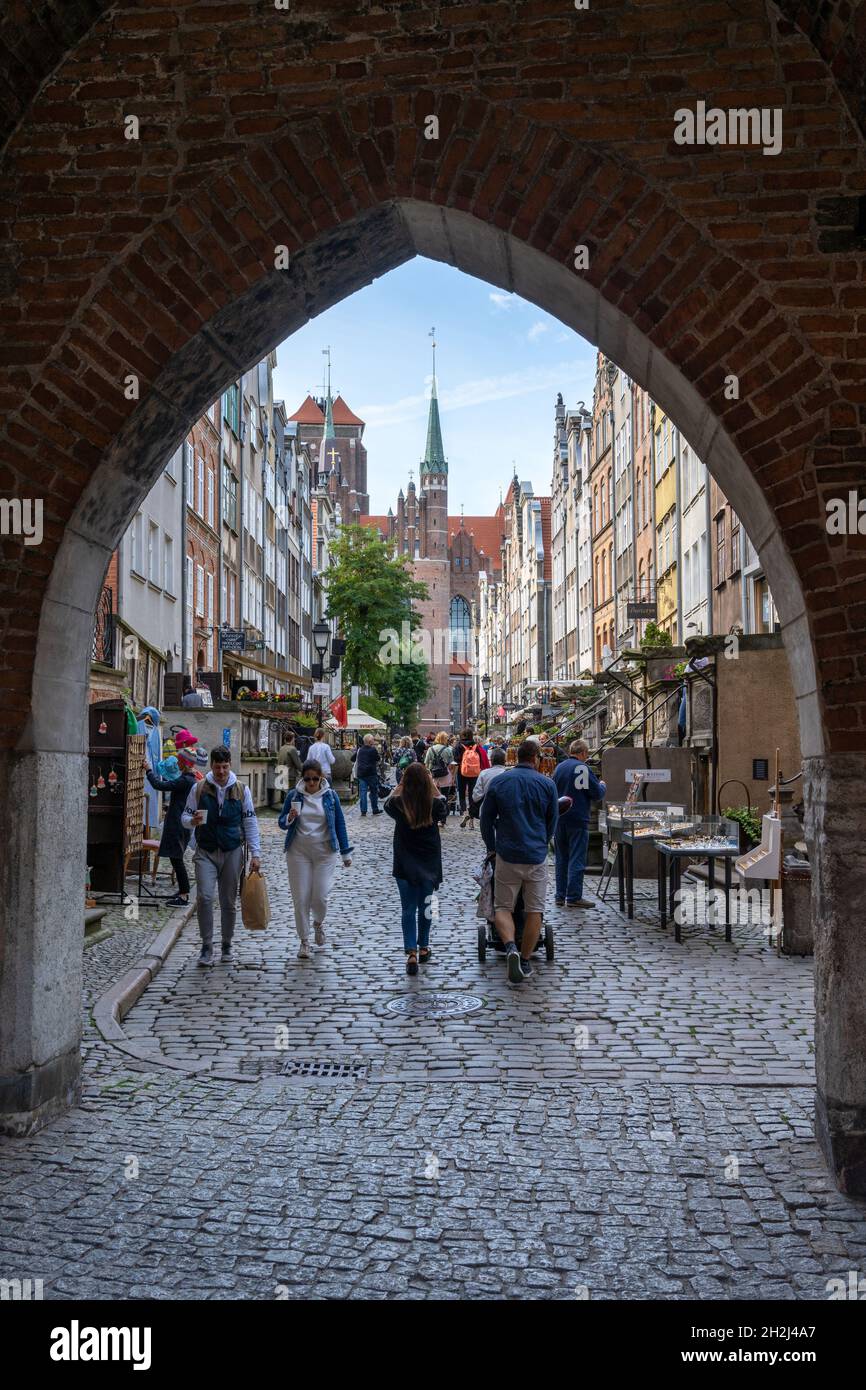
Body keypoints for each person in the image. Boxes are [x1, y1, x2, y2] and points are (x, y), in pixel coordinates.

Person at [480, 739, 559, 986]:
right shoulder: (547, 784)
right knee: (535, 909)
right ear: (535, 758)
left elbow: (485, 818)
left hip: (508, 854)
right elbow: (552, 821)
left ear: (516, 757)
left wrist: (492, 847)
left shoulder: (500, 782)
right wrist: (542, 842)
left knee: (503, 906)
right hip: (535, 855)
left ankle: (511, 947)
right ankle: (525, 959)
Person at [181, 745, 261, 966]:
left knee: (228, 901)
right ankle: (207, 946)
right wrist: (192, 821)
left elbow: (250, 821)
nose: (222, 772)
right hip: (205, 850)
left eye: (225, 767)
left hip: (232, 850)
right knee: (205, 897)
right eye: (218, 767)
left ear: (230, 765)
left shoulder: (241, 789)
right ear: (211, 766)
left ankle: (226, 943)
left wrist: (256, 853)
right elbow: (184, 818)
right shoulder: (199, 788)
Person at [278, 760, 352, 959]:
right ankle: (304, 941)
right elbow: (281, 822)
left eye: (315, 779)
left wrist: (346, 852)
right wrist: (290, 818)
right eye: (307, 779)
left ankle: (318, 923)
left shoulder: (330, 796)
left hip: (325, 851)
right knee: (300, 897)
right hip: (298, 851)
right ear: (303, 778)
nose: (311, 783)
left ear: (322, 778)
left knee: (320, 896)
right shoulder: (294, 795)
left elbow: (339, 824)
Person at [384, 762, 448, 975]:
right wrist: (433, 785)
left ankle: (411, 951)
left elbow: (387, 803)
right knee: (428, 906)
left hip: (405, 861)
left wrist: (400, 785)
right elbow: (444, 804)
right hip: (429, 861)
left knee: (408, 908)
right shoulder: (434, 805)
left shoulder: (399, 805)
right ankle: (424, 947)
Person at [552, 739, 606, 908]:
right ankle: (574, 896)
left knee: (561, 858)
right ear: (582, 753)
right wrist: (602, 785)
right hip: (578, 817)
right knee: (577, 857)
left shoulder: (559, 767)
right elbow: (597, 794)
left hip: (560, 818)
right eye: (586, 754)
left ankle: (560, 895)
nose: (587, 757)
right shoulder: (583, 768)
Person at [145, 753, 197, 907]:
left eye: (179, 762)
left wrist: (148, 770)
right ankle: (183, 889)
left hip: (177, 824)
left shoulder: (185, 780)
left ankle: (184, 895)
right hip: (180, 823)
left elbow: (159, 786)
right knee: (176, 858)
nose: (177, 764)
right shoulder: (188, 779)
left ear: (184, 763)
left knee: (176, 859)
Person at [457, 728, 490, 826]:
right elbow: (480, 759)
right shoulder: (476, 746)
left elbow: (455, 759)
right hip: (474, 773)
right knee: (472, 794)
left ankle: (464, 812)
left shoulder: (459, 745)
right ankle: (471, 819)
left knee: (462, 793)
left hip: (462, 772)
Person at [471, 747, 508, 814]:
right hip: (504, 812)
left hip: (486, 811)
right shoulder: (508, 774)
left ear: (491, 760)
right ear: (504, 760)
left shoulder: (484, 773)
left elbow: (476, 796)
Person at [425, 732, 455, 810]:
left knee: (434, 795)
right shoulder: (448, 750)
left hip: (433, 775)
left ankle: (434, 814)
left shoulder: (430, 749)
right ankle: (442, 819)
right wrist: (453, 777)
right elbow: (452, 764)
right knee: (444, 796)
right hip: (445, 775)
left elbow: (426, 763)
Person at [354, 733, 383, 815]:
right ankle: (375, 809)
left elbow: (353, 759)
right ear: (370, 741)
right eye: (373, 740)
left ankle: (363, 811)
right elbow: (378, 758)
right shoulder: (373, 749)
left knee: (363, 792)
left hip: (361, 774)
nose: (374, 741)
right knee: (373, 792)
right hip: (371, 774)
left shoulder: (360, 749)